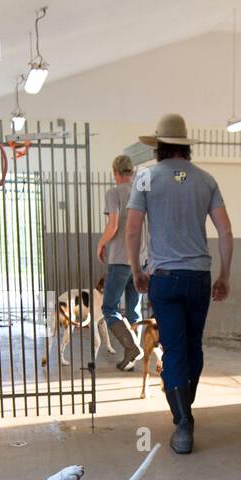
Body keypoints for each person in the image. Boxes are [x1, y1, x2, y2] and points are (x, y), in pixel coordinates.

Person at [126, 113, 233, 454]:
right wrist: (224, 275)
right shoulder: (206, 180)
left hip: (164, 278)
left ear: (158, 147)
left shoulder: (145, 178)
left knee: (173, 350)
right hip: (198, 277)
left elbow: (132, 230)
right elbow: (226, 232)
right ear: (185, 147)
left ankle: (183, 423)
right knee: (193, 347)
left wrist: (135, 270)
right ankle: (185, 411)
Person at [97, 154, 143, 371]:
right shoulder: (142, 192)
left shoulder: (114, 193)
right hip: (140, 260)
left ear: (115, 172)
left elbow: (113, 225)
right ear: (131, 172)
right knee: (134, 311)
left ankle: (132, 348)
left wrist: (101, 244)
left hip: (119, 259)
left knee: (109, 308)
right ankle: (130, 360)